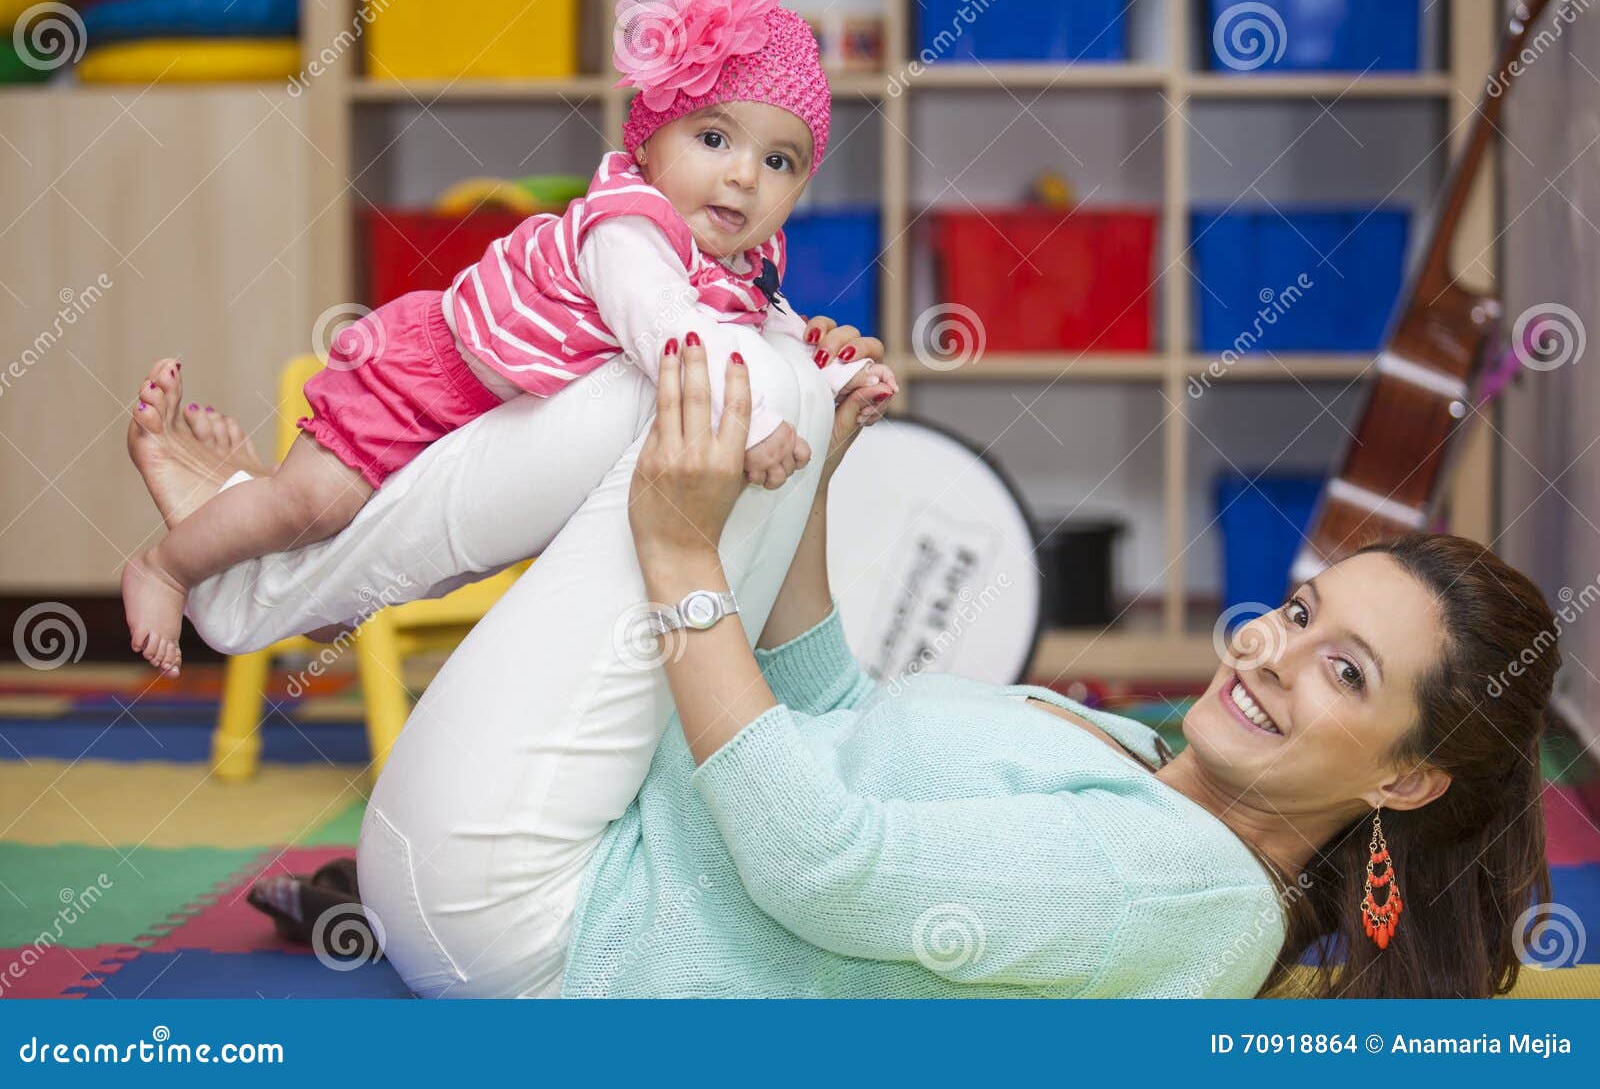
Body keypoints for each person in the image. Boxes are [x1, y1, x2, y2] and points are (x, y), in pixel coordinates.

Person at [156, 312, 1558, 998]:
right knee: (767, 364)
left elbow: (824, 863)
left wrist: (689, 559)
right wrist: (817, 474)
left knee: (730, 365)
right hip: (604, 826)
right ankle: (266, 561)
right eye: (1304, 616)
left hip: (547, 915)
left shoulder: (1195, 892)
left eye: (1346, 673)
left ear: (1407, 781)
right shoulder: (1143, 757)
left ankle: (266, 568)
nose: (1270, 650)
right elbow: (825, 708)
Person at [120, 0, 896, 677]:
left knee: (348, 585)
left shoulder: (744, 262)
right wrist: (749, 419)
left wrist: (825, 367)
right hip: (422, 379)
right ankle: (167, 565)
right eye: (715, 137)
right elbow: (667, 328)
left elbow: (767, 324)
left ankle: (240, 496)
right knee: (310, 506)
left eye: (778, 161)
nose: (743, 176)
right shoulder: (629, 228)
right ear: (649, 143)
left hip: (489, 413)